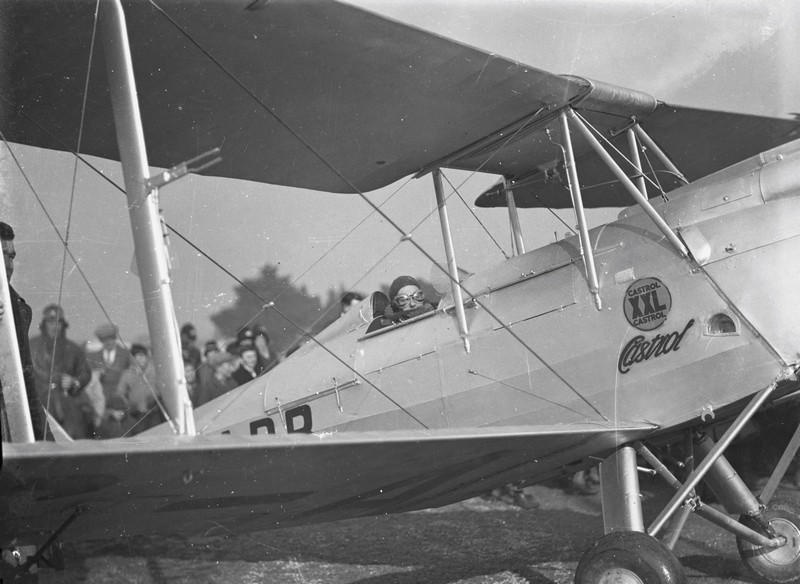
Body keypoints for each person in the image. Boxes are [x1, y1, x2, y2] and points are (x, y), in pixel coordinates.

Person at [0, 221, 46, 439]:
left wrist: (45, 440)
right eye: (2, 256)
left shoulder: (18, 309)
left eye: (11, 257)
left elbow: (25, 381)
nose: (9, 265)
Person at [29, 304, 92, 439]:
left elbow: (85, 373)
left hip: (67, 406)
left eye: (59, 322)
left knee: (74, 440)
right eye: (50, 322)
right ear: (44, 324)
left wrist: (74, 382)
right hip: (38, 405)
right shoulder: (30, 346)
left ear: (64, 325)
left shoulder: (73, 349)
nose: (55, 326)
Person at [87, 322, 132, 438]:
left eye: (111, 339)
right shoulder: (93, 357)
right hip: (101, 401)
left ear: (115, 338)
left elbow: (131, 375)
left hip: (121, 401)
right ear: (101, 341)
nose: (108, 342)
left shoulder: (126, 354)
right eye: (105, 340)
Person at [115, 343, 162, 434]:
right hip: (136, 413)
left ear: (147, 357)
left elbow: (162, 389)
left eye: (142, 356)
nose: (140, 359)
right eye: (136, 357)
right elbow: (120, 393)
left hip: (154, 412)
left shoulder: (155, 372)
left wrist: (155, 398)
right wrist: (128, 404)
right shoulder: (127, 374)